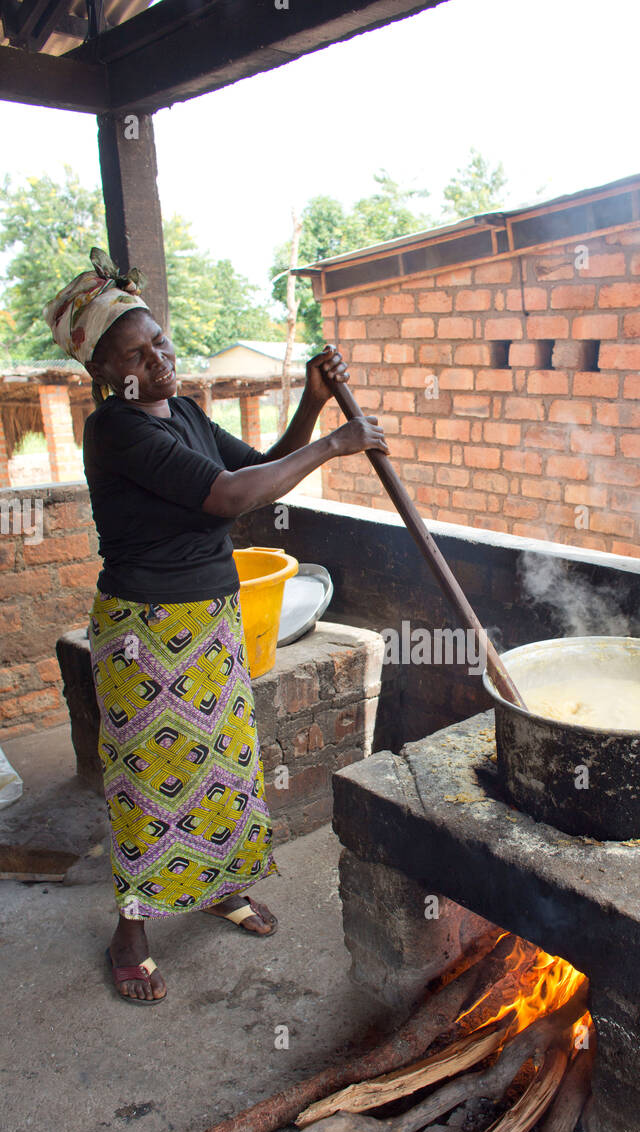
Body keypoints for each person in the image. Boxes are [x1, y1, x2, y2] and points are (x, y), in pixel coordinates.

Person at [43, 247, 387, 1004]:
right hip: (146, 629)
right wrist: (337, 444)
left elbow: (260, 468)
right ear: (106, 375)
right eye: (136, 354)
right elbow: (229, 499)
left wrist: (313, 404)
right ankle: (130, 929)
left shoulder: (188, 414)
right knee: (148, 778)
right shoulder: (116, 432)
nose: (158, 359)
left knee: (226, 764)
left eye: (160, 341)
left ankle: (216, 885)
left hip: (214, 619)